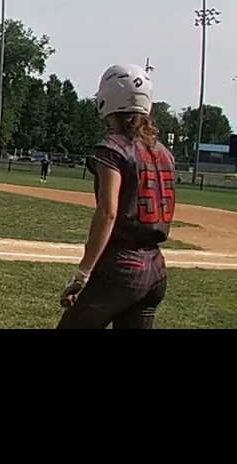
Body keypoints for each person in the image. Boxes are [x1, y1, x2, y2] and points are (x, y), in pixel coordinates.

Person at [57, 64, 174, 329]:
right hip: (156, 268)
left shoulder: (113, 148)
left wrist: (83, 272)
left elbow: (108, 212)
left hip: (122, 268)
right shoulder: (164, 153)